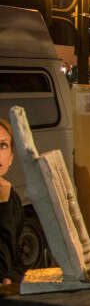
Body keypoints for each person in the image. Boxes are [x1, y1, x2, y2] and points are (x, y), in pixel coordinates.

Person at [0, 118, 25, 285]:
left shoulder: (11, 197)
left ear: (11, 158)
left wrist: (10, 278)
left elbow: (18, 262)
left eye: (3, 146)